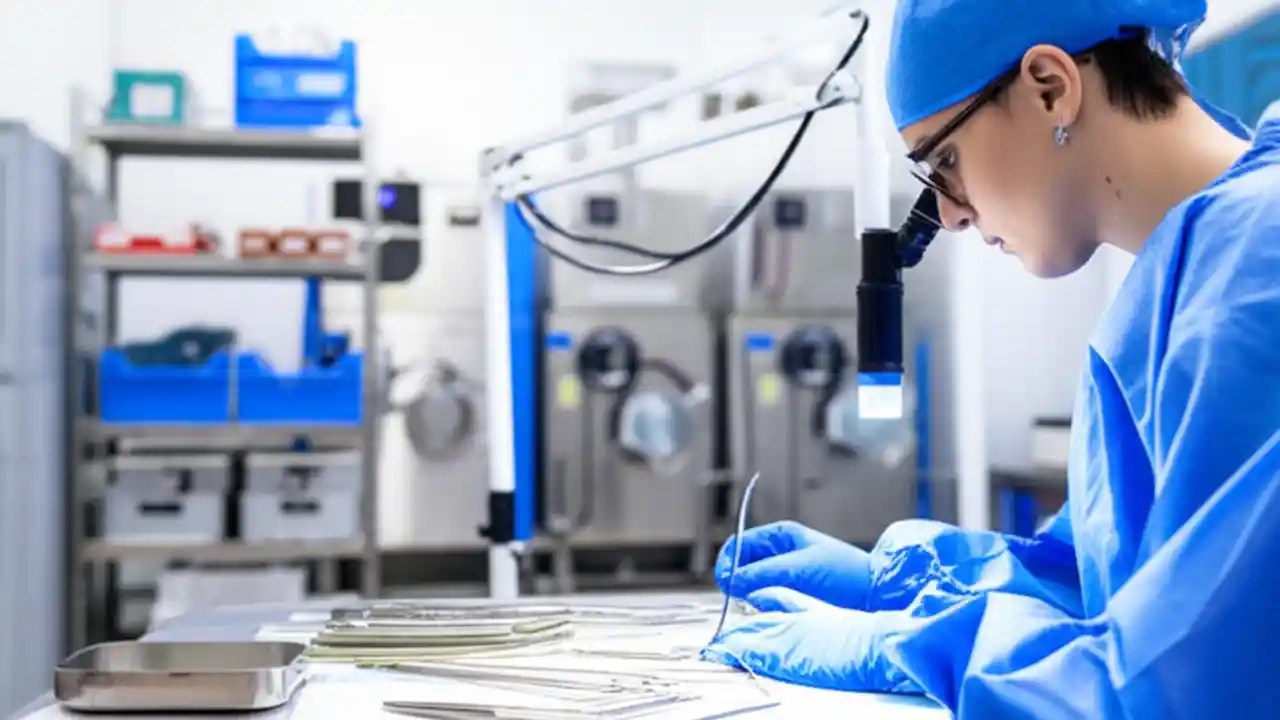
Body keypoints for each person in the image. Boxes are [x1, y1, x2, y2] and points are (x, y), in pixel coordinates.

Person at [703, 0, 1280, 716]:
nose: (949, 215)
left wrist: (913, 647)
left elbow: (1191, 681)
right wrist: (900, 579)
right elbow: (1106, 583)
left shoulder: (1262, 262)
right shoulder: (1183, 278)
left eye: (944, 160)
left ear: (1049, 86)